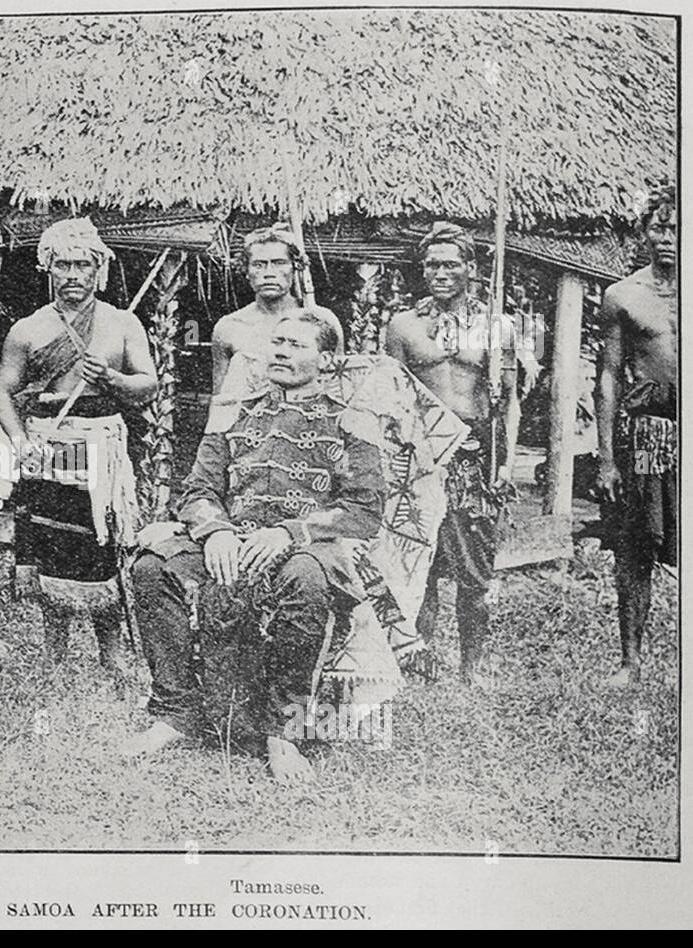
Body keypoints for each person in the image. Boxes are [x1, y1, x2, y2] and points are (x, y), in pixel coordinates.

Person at [123, 308, 386, 783]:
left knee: (304, 581)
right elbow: (199, 490)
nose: (281, 350)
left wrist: (291, 532)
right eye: (277, 342)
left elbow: (364, 509)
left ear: (327, 360)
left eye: (297, 345)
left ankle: (283, 733)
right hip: (233, 538)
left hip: (308, 547)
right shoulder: (234, 411)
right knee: (152, 568)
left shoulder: (350, 421)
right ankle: (176, 712)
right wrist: (217, 530)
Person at [0, 217, 158, 671]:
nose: (72, 275)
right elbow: (2, 392)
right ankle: (54, 649)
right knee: (52, 542)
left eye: (82, 265)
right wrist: (20, 441)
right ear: (48, 268)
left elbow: (148, 386)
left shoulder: (122, 323)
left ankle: (112, 648)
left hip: (101, 443)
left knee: (102, 543)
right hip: (47, 443)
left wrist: (111, 377)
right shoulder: (27, 329)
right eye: (63, 265)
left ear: (97, 269)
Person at [383, 222, 522, 686]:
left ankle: (473, 667)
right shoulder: (403, 326)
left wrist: (505, 462)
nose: (440, 273)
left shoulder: (496, 326)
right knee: (417, 563)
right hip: (419, 461)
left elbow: (510, 399)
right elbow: (390, 395)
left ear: (472, 268)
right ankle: (417, 664)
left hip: (474, 459)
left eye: (451, 264)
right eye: (432, 265)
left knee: (474, 571)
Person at [595, 183, 678, 686]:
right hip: (645, 434)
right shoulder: (622, 295)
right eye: (660, 227)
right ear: (645, 232)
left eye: (679, 228)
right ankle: (630, 662)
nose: (668, 237)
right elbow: (607, 374)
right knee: (634, 549)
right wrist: (606, 457)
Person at [211, 224, 305, 396]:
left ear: (295, 267)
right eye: (259, 265)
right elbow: (221, 401)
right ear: (247, 271)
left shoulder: (318, 320)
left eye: (279, 263)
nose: (269, 273)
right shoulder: (229, 327)